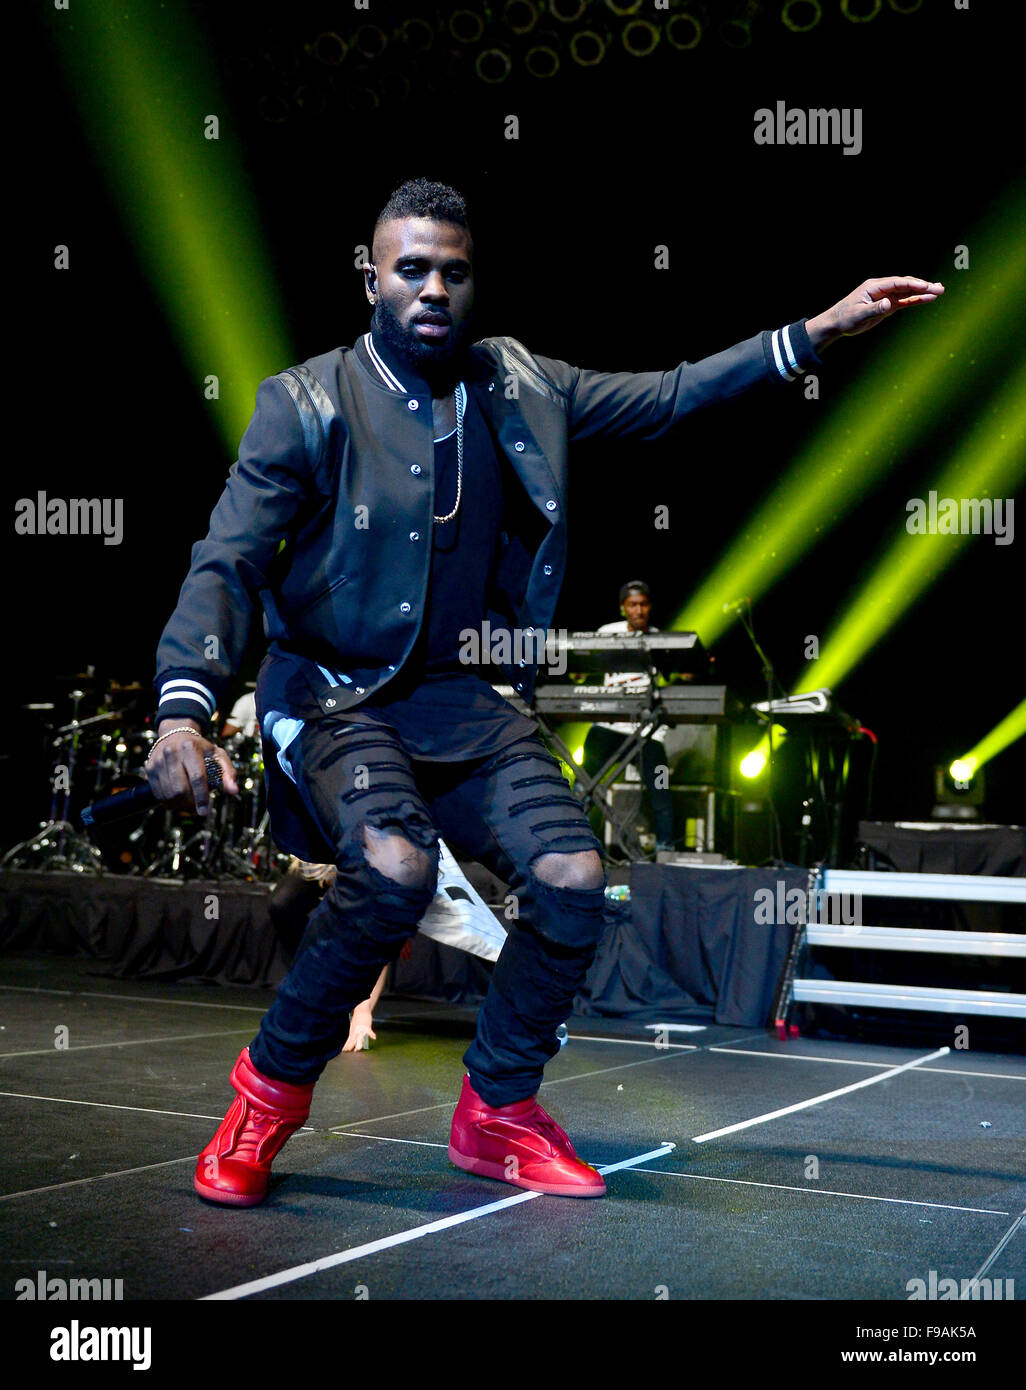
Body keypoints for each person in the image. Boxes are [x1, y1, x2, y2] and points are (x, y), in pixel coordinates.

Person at [145, 177, 944, 1207]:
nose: (434, 287)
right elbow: (228, 560)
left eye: (454, 270)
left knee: (572, 877)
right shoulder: (304, 401)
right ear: (371, 276)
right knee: (390, 870)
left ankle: (499, 1111)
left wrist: (814, 335)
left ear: (474, 278)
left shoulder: (521, 382)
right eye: (411, 268)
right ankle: (268, 1094)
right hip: (340, 693)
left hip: (467, 700)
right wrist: (183, 702)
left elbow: (671, 395)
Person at [582, 580, 676, 851]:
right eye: (633, 604)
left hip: (647, 731)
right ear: (623, 608)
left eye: (644, 604)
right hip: (608, 725)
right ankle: (576, 845)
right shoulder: (607, 632)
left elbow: (677, 673)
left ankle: (665, 851)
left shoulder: (660, 637)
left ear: (650, 607)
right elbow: (582, 665)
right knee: (583, 788)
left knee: (661, 790)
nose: (639, 610)